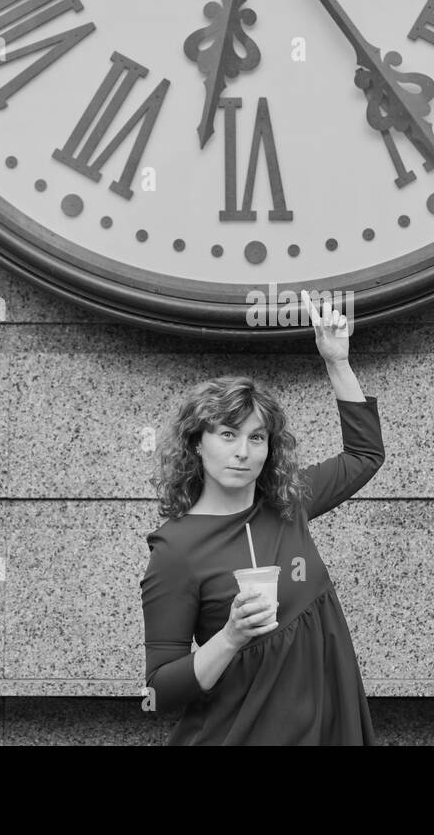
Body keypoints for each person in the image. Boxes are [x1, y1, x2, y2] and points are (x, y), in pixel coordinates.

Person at [140, 291, 384, 744]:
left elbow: (365, 455)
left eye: (256, 438)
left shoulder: (289, 503)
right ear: (196, 444)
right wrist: (230, 637)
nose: (243, 451)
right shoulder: (176, 550)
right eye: (227, 434)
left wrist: (336, 362)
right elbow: (159, 692)